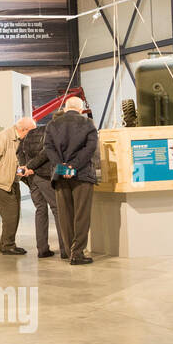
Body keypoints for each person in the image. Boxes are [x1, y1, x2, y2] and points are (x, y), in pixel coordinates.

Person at [43, 97, 99, 265]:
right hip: (82, 175)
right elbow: (90, 148)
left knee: (65, 216)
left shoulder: (52, 125)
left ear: (66, 108)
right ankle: (78, 252)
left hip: (60, 176)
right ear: (81, 109)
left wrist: (63, 167)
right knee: (81, 215)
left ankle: (68, 251)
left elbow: (48, 148)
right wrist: (73, 166)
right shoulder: (88, 124)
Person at [0, 116, 37, 256]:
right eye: (32, 130)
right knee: (11, 217)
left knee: (14, 215)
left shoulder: (20, 140)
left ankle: (5, 244)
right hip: (2, 183)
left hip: (13, 182)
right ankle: (8, 245)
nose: (34, 134)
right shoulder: (3, 137)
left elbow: (13, 162)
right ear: (24, 130)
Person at [17, 121, 67, 260]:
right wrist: (32, 165)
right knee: (57, 210)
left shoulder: (25, 137)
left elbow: (19, 151)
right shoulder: (49, 132)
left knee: (40, 210)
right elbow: (46, 153)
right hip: (44, 176)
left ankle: (42, 249)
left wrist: (26, 167)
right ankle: (65, 250)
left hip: (32, 178)